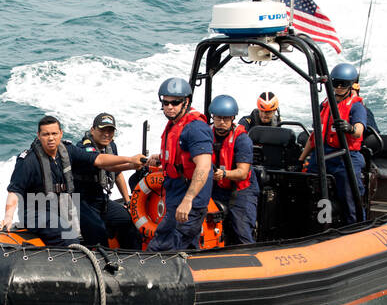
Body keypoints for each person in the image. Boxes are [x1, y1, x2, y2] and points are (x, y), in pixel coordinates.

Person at [0, 116, 145, 246]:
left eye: (54, 133)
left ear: (61, 134)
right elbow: (14, 191)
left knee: (125, 220)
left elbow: (98, 159)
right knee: (71, 239)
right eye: (46, 134)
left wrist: (131, 161)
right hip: (37, 211)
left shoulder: (67, 150)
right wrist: (8, 217)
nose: (51, 138)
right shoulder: (28, 161)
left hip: (63, 206)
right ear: (39, 135)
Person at [145, 77, 214, 252]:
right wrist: (161, 158)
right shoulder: (174, 124)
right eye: (166, 103)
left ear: (186, 102)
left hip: (188, 197)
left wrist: (188, 200)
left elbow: (204, 166)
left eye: (175, 103)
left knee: (163, 246)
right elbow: (180, 155)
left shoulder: (195, 128)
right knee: (187, 245)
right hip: (175, 193)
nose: (169, 107)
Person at [298, 62, 368, 224]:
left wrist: (349, 128)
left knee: (350, 197)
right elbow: (315, 136)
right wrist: (301, 159)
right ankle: (316, 225)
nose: (339, 87)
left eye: (344, 84)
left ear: (351, 85)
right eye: (336, 83)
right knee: (308, 189)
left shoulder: (356, 107)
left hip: (346, 158)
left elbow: (359, 131)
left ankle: (356, 227)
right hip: (322, 154)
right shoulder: (324, 104)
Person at [73, 113, 141, 249]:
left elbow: (117, 173)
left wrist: (127, 200)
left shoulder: (111, 147)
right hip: (82, 203)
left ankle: (129, 257)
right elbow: (102, 162)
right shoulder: (83, 148)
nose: (106, 134)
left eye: (110, 131)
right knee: (98, 236)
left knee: (128, 221)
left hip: (101, 200)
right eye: (102, 130)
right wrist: (130, 161)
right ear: (93, 130)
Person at [207, 95, 257, 245]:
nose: (222, 122)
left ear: (233, 118)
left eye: (226, 119)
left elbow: (242, 173)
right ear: (213, 117)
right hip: (216, 188)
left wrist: (224, 174)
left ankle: (249, 256)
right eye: (218, 118)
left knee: (242, 232)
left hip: (241, 190)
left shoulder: (242, 140)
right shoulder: (205, 134)